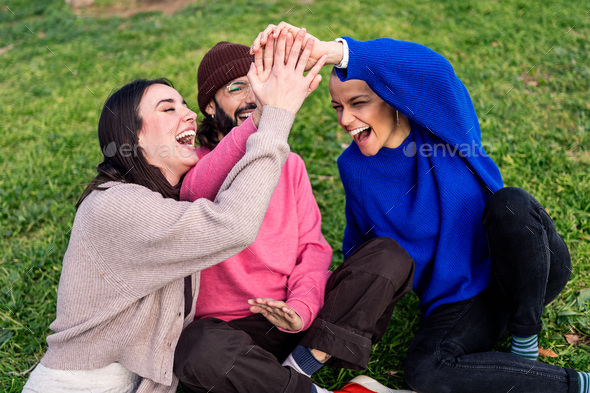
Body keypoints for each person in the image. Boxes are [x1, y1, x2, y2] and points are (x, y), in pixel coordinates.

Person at [250, 22, 590, 393]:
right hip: (461, 302)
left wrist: (336, 52)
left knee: (510, 204)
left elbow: (433, 68)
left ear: (393, 100)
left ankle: (524, 343)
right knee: (425, 370)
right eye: (338, 107)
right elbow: (363, 249)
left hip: (528, 271)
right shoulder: (354, 168)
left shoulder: (446, 130)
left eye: (358, 103)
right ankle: (577, 385)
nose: (345, 119)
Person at [21, 26, 324, 393]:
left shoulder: (167, 199)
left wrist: (263, 115)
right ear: (136, 138)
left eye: (185, 105)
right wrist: (275, 115)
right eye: (169, 108)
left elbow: (214, 171)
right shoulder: (114, 205)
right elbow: (232, 226)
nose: (190, 115)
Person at [172, 29, 415, 393]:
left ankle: (299, 366)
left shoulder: (291, 164)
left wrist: (300, 308)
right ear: (209, 105)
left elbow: (312, 249)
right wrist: (262, 123)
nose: (253, 97)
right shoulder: (194, 165)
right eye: (237, 88)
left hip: (300, 322)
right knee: (195, 347)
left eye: (259, 84)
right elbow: (196, 190)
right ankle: (307, 389)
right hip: (230, 332)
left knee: (389, 257)